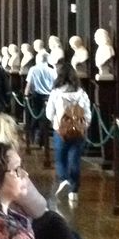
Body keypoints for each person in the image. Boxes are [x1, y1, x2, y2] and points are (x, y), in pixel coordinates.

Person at [46, 62, 93, 204]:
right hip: (78, 131)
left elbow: (49, 113)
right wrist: (83, 125)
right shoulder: (81, 93)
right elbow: (87, 113)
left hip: (60, 130)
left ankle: (64, 179)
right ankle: (74, 190)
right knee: (75, 159)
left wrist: (55, 120)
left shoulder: (56, 93)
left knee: (60, 158)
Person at [24, 49, 54, 149]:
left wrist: (26, 95)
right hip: (48, 96)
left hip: (37, 95)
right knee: (45, 119)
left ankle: (31, 138)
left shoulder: (33, 69)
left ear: (38, 59)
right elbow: (55, 85)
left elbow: (29, 84)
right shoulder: (52, 70)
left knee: (35, 116)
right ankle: (43, 141)